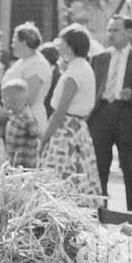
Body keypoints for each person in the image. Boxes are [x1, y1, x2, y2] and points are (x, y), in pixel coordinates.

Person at [88, 15, 132, 213]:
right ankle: (99, 212)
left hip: (127, 115)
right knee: (99, 166)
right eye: (109, 30)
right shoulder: (99, 58)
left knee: (131, 167)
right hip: (101, 114)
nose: (111, 35)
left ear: (128, 33)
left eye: (115, 31)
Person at [38, 24, 99, 189]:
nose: (59, 45)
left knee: (60, 182)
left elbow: (59, 113)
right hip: (78, 129)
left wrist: (44, 139)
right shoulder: (83, 67)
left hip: (65, 133)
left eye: (62, 42)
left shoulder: (74, 74)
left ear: (70, 46)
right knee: (80, 179)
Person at [2, 22, 51, 132]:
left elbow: (29, 99)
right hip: (16, 118)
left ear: (23, 42)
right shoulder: (22, 61)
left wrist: (6, 113)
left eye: (14, 41)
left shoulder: (37, 64)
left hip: (29, 122)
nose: (12, 45)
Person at [0, 77, 41, 168]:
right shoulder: (12, 118)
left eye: (5, 101)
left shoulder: (27, 118)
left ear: (13, 101)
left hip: (26, 164)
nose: (4, 104)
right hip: (14, 163)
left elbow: (38, 134)